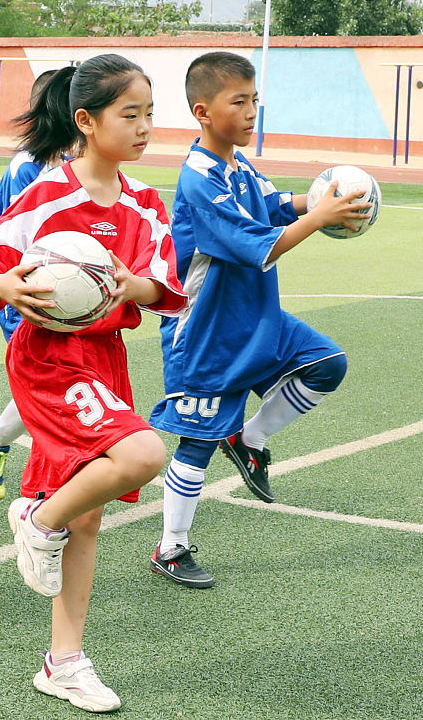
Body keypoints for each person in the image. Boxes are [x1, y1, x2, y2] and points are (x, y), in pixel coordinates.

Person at [0, 54, 185, 713]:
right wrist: (5, 286)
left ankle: (64, 663)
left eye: (150, 114)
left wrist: (128, 282)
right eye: (130, 114)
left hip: (104, 357)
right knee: (144, 453)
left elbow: (163, 287)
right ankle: (36, 516)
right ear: (86, 122)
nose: (144, 127)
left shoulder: (145, 203)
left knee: (88, 518)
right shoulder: (47, 196)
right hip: (49, 358)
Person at [147, 52, 365, 588]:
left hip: (255, 316)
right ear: (203, 111)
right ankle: (170, 548)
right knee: (196, 441)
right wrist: (320, 219)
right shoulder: (199, 178)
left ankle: (250, 439)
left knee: (327, 364)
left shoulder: (239, 166)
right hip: (206, 331)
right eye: (238, 102)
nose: (250, 113)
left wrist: (318, 198)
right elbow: (260, 248)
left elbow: (275, 205)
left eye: (254, 101)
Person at [0, 68, 67, 501]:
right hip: (23, 295)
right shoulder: (25, 169)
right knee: (49, 382)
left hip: (63, 294)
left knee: (56, 382)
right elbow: (21, 239)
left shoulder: (72, 162)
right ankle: (44, 488)